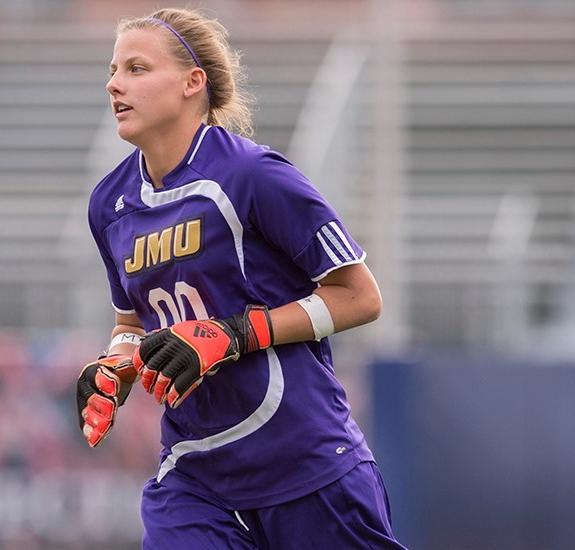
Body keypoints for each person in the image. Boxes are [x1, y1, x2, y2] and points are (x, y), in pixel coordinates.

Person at [75, 8, 405, 548]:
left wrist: (234, 334)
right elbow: (132, 321)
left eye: (136, 68)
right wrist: (117, 365)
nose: (114, 83)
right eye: (113, 70)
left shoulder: (254, 175)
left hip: (307, 464)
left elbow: (360, 297)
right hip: (194, 475)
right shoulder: (108, 206)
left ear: (192, 82)